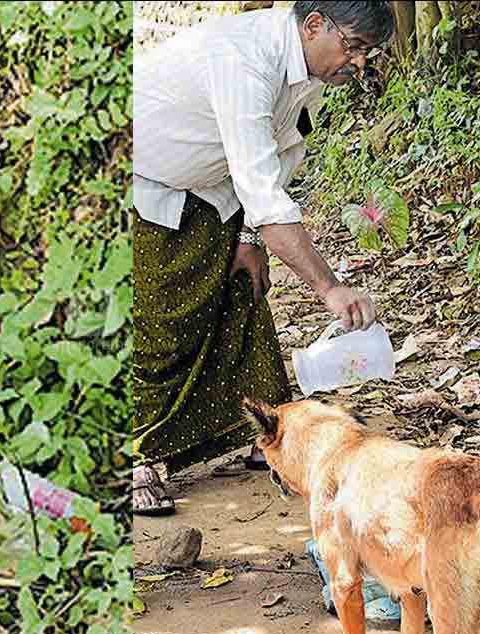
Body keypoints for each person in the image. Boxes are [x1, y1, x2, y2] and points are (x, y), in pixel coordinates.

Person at [132, 1, 395, 515]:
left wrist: (250, 238)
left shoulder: (313, 69)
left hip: (214, 189)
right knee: (159, 326)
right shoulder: (243, 61)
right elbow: (266, 193)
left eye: (368, 52)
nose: (360, 62)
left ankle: (262, 432)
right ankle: (137, 453)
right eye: (355, 47)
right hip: (150, 183)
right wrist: (329, 287)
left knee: (241, 301)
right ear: (315, 23)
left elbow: (278, 159)